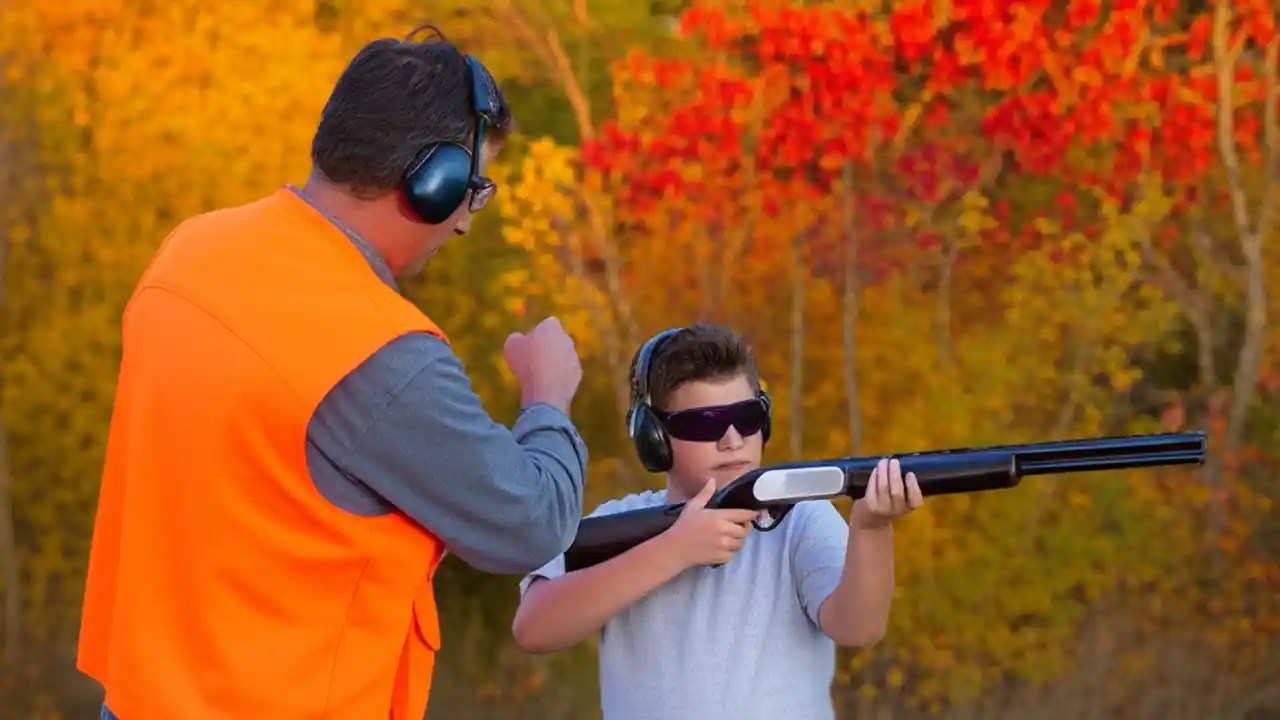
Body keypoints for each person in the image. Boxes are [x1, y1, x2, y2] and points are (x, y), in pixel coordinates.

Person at [77, 24, 589, 720]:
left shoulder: (188, 253)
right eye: (473, 191)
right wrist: (547, 396)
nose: (466, 224)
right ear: (430, 184)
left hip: (141, 698)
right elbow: (531, 524)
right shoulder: (381, 352)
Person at [512, 324, 924, 719]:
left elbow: (858, 629)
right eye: (705, 423)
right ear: (654, 438)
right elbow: (534, 628)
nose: (732, 440)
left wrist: (871, 529)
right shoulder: (622, 523)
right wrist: (674, 551)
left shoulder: (800, 518)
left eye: (746, 417)